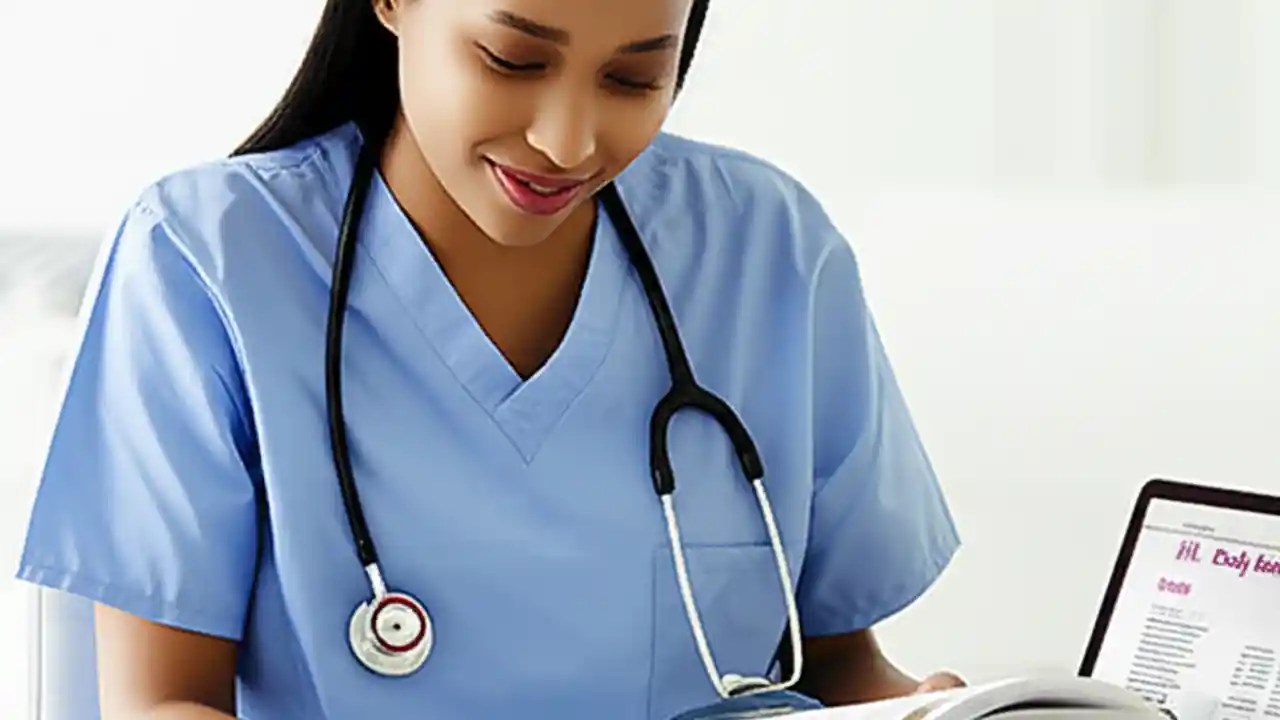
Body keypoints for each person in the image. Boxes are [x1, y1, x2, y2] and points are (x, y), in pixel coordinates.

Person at [15, 0, 964, 718]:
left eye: (634, 80)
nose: (569, 140)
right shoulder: (207, 258)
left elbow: (838, 670)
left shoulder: (769, 250)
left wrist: (932, 708)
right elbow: (163, 704)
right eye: (513, 60)